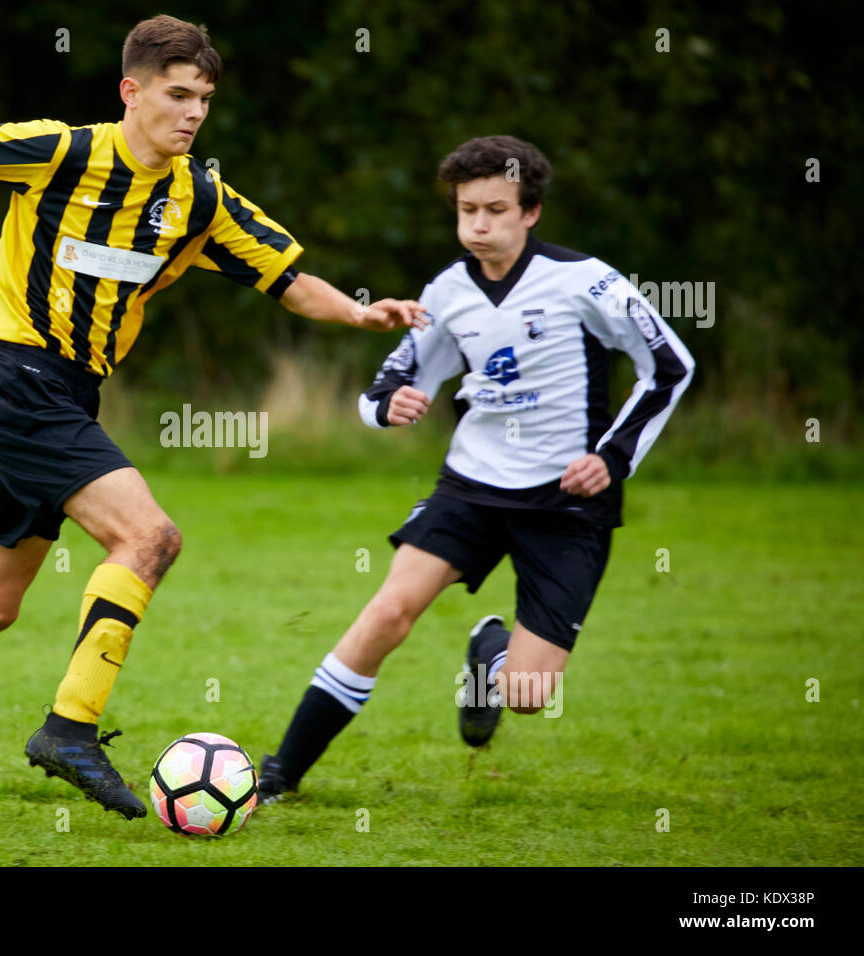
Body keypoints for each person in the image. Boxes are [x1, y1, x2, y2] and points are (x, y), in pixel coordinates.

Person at [0, 14, 424, 819]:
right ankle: (70, 727)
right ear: (131, 92)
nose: (194, 112)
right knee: (151, 538)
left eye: (203, 97)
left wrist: (361, 313)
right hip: (15, 377)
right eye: (177, 94)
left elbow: (286, 277)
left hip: (68, 396)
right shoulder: (62, 152)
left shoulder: (199, 199)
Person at [258, 134, 695, 800]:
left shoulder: (586, 282)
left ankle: (493, 657)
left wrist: (612, 456)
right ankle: (279, 777)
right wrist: (391, 406)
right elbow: (385, 387)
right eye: (467, 211)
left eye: (496, 209)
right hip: (471, 487)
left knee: (526, 695)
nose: (479, 226)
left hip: (565, 505)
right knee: (387, 613)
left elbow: (669, 366)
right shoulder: (447, 292)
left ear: (532, 212)